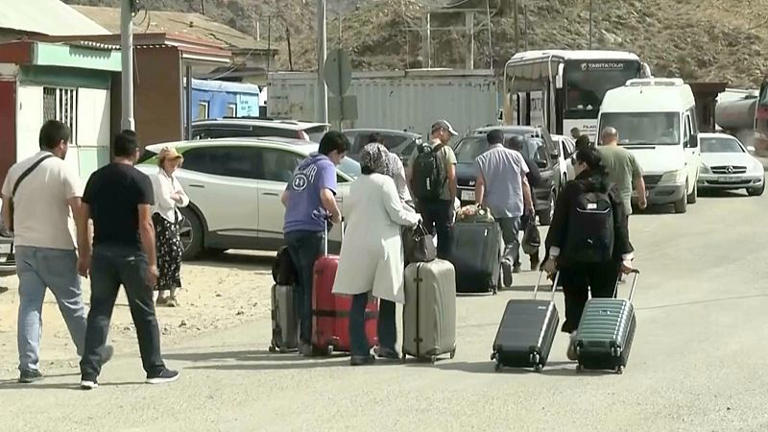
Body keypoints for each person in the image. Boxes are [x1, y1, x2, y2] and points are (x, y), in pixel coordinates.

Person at [0, 120, 112, 384]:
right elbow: (79, 213)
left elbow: (6, 214)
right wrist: (85, 251)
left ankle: (28, 366)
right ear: (61, 143)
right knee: (72, 305)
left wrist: (18, 231)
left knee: (29, 306)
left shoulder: (17, 169)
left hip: (25, 248)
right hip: (58, 247)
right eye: (67, 143)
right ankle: (90, 353)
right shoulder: (63, 170)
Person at [79, 130, 179, 390]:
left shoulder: (96, 178)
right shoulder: (139, 180)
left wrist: (85, 254)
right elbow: (146, 224)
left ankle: (89, 373)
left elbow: (83, 219)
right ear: (135, 152)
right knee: (144, 313)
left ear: (114, 150)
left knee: (99, 312)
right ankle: (154, 368)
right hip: (132, 255)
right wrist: (153, 262)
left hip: (102, 253)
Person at [542, 147, 634, 360]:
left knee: (575, 298)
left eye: (575, 162)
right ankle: (602, 342)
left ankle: (576, 337)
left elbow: (559, 226)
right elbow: (620, 226)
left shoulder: (572, 190)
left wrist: (552, 257)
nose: (573, 166)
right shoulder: (611, 189)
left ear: (583, 164)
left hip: (573, 257)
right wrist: (626, 257)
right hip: (606, 257)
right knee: (604, 300)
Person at [332, 144, 421, 366]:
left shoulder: (354, 185)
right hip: (382, 246)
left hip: (355, 246)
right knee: (388, 296)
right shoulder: (384, 182)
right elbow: (396, 213)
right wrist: (416, 218)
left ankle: (359, 351)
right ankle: (388, 345)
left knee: (359, 299)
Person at [282, 131, 347, 357]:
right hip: (312, 230)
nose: (339, 162)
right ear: (334, 152)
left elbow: (285, 198)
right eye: (341, 157)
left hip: (291, 229)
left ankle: (302, 337)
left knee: (301, 285)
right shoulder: (326, 166)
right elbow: (326, 196)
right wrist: (337, 215)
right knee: (314, 287)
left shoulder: (303, 165)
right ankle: (311, 340)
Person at [474, 130, 534, 287]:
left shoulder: (481, 159)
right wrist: (530, 204)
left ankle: (496, 280)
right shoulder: (516, 156)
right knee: (512, 241)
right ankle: (508, 259)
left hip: (491, 207)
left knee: (493, 245)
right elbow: (524, 182)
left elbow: (480, 183)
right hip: (512, 205)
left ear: (488, 142)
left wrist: (477, 205)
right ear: (503, 140)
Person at [408, 120, 458, 258]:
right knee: (445, 236)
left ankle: (425, 266)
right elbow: (452, 177)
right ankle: (444, 266)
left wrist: (414, 196)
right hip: (443, 201)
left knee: (425, 236)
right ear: (441, 131)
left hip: (423, 201)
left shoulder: (417, 150)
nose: (450, 137)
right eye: (449, 134)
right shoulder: (446, 150)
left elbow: (408, 176)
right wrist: (453, 199)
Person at [150, 147, 189, 307]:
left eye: (175, 161)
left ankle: (170, 293)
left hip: (172, 219)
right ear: (163, 161)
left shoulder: (172, 179)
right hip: (162, 219)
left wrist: (176, 196)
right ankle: (164, 292)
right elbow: (165, 201)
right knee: (170, 253)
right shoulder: (159, 178)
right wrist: (176, 196)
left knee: (172, 254)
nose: (174, 164)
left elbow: (186, 199)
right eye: (170, 160)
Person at [507, 135, 542, 271]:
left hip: (510, 200)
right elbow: (537, 178)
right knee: (531, 229)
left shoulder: (506, 160)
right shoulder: (526, 160)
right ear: (522, 147)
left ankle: (515, 263)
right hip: (526, 200)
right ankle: (534, 261)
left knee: (512, 234)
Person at [597, 127, 647, 214]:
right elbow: (638, 179)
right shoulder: (628, 154)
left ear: (602, 138)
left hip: (601, 204)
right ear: (617, 137)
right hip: (623, 204)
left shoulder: (595, 154)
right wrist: (642, 199)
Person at [367, 133, 413, 206]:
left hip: (395, 198)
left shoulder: (393, 159)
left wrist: (402, 199)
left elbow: (401, 181)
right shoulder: (368, 161)